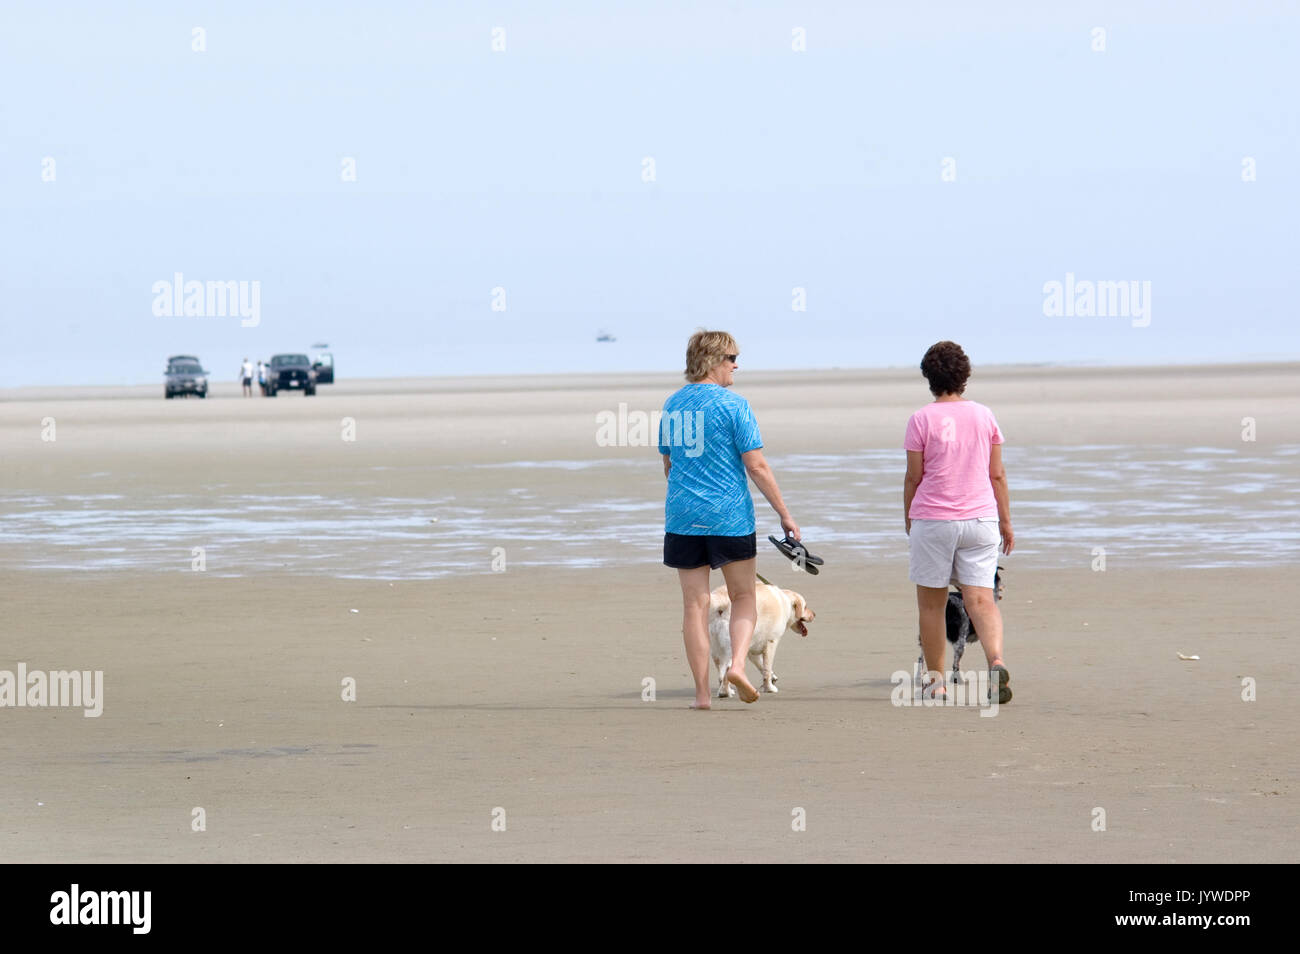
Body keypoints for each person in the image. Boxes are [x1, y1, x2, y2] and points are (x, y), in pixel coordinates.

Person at [659, 330, 799, 710]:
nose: (736, 364)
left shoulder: (673, 405)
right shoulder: (735, 406)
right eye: (731, 357)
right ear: (712, 360)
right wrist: (784, 514)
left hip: (683, 518)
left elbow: (669, 465)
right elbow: (756, 465)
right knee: (743, 596)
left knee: (695, 605)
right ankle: (737, 665)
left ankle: (703, 695)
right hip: (730, 516)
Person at [904, 341, 1014, 703]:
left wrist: (909, 516)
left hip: (933, 519)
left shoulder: (921, 419)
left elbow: (914, 477)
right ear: (964, 375)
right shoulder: (984, 416)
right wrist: (1006, 522)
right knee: (981, 599)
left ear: (929, 378)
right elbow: (996, 475)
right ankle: (995, 662)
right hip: (981, 517)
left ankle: (935, 682)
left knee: (932, 604)